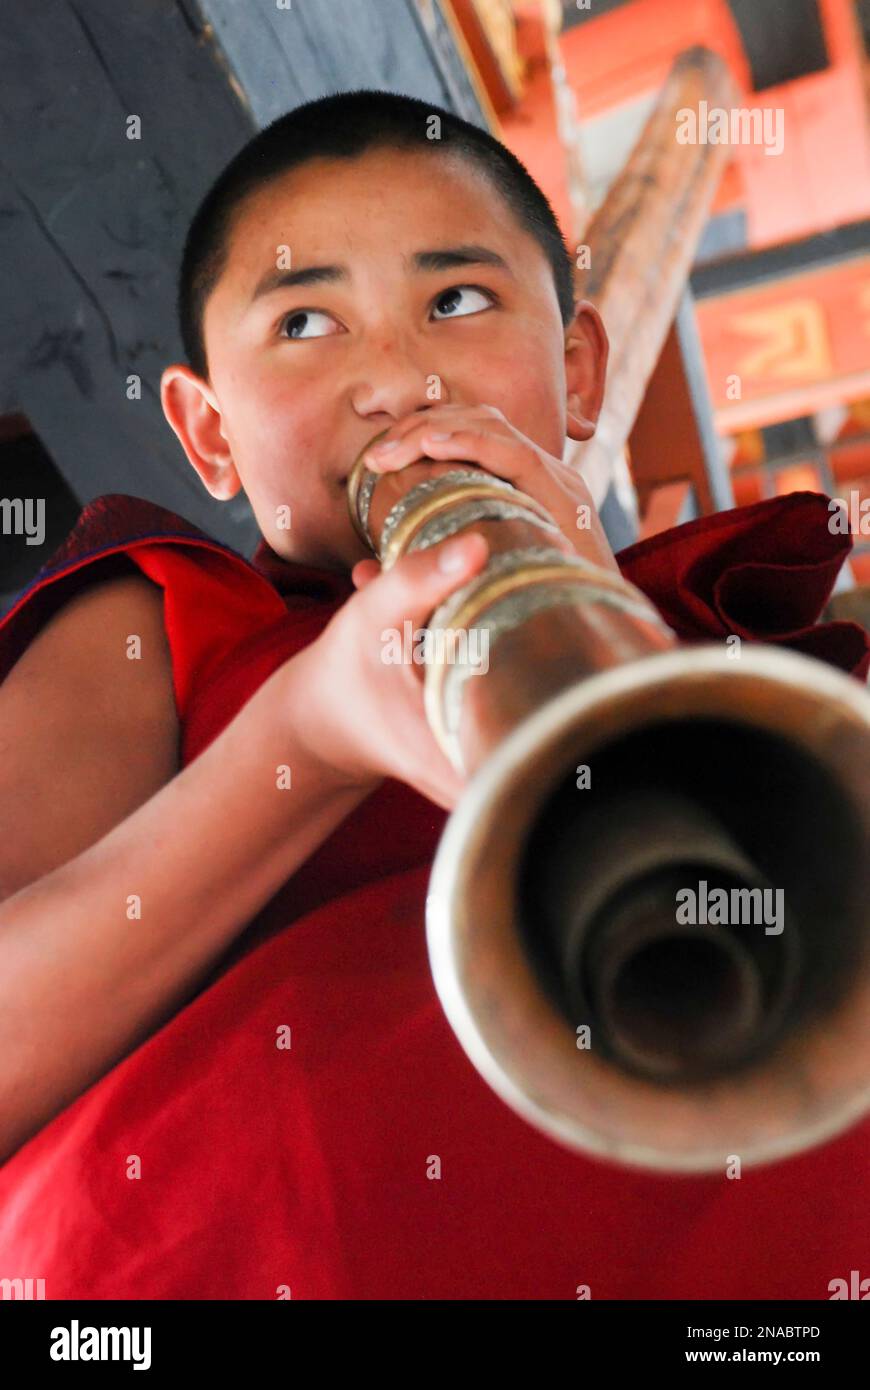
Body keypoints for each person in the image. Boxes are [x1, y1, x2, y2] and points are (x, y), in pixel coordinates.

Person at [0, 90, 866, 1300]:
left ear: (575, 373)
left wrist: (614, 615)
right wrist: (307, 735)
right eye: (306, 320)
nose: (397, 382)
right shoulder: (160, 616)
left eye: (457, 301)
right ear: (209, 437)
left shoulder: (737, 665)